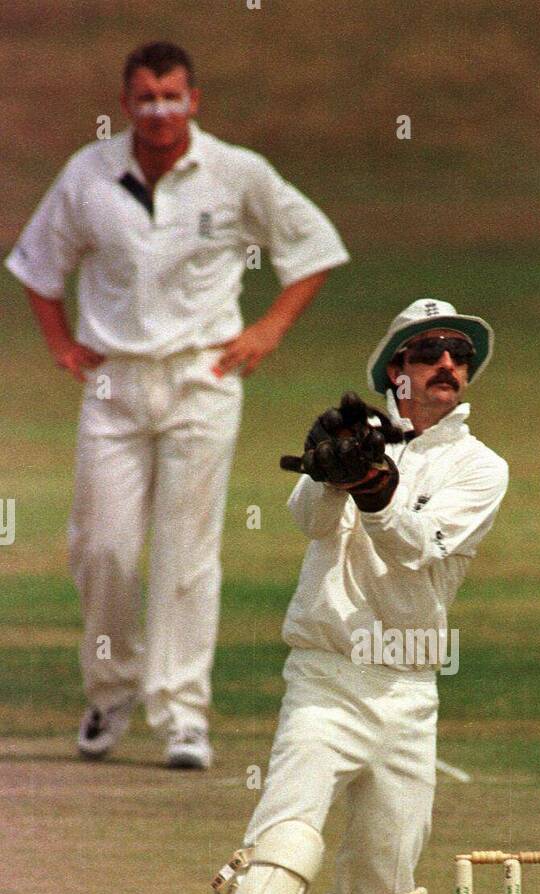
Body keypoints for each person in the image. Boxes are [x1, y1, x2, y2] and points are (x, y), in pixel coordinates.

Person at [179, 296, 508, 894]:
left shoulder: (482, 468)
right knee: (285, 848)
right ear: (396, 367)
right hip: (326, 678)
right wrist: (337, 470)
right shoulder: (359, 444)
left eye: (460, 355)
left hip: (408, 691)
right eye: (429, 351)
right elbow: (309, 520)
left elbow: (415, 549)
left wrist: (375, 482)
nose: (448, 365)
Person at [4, 41, 349, 769]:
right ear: (126, 104)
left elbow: (313, 246)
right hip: (114, 382)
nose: (159, 110)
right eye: (145, 97)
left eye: (172, 96)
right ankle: (109, 690)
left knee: (187, 553)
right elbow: (38, 264)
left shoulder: (234, 172)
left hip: (203, 376)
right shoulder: (90, 173)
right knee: (102, 548)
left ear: (194, 100)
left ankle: (183, 713)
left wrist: (269, 329)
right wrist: (62, 344)